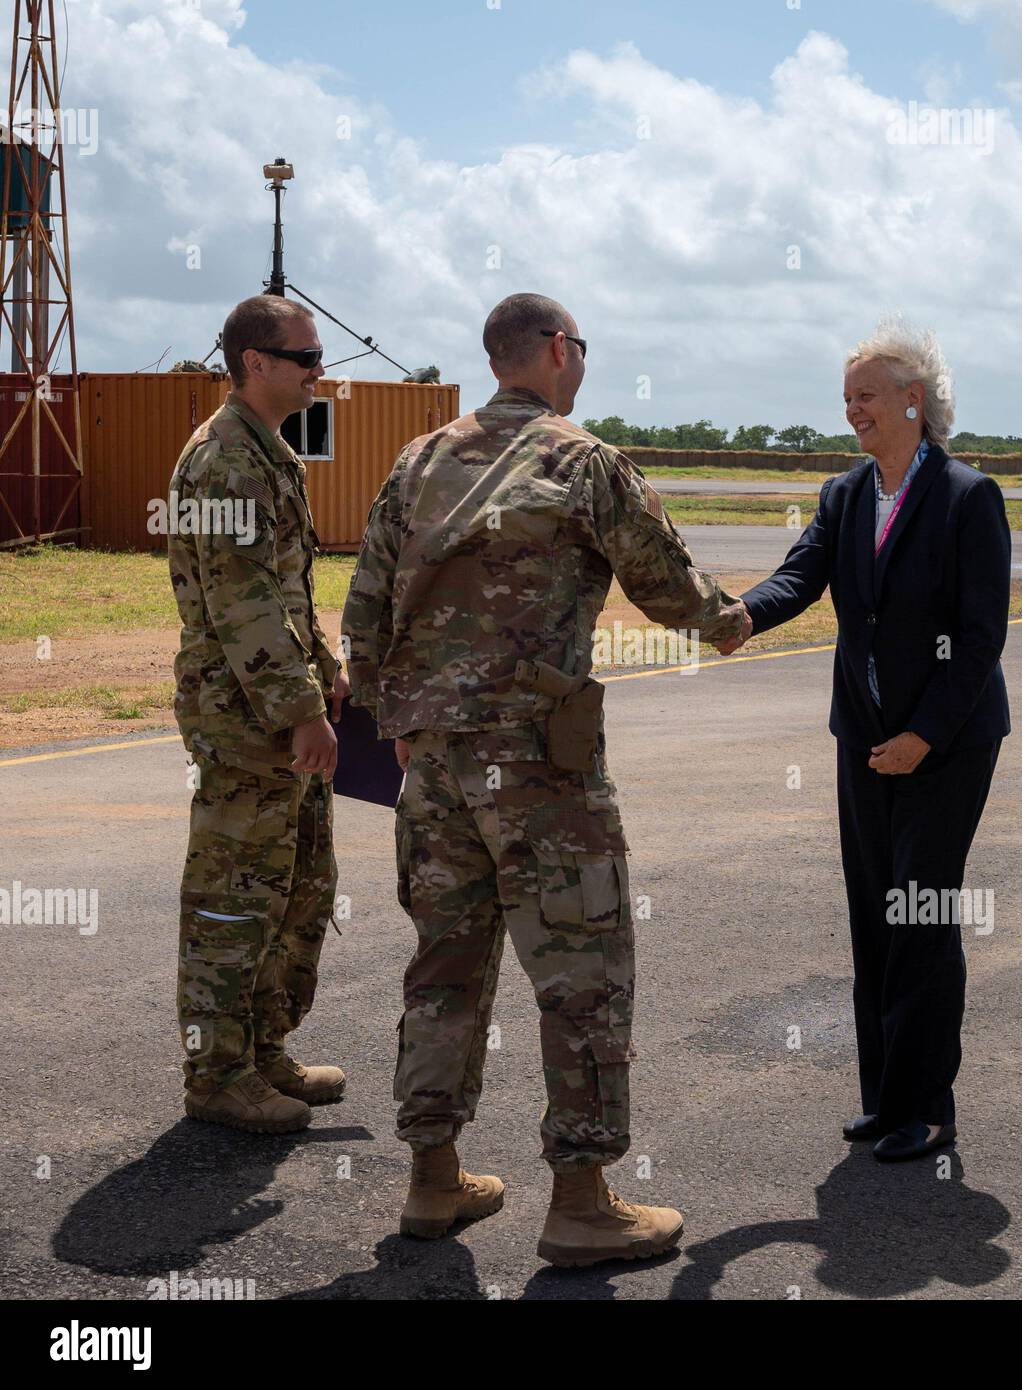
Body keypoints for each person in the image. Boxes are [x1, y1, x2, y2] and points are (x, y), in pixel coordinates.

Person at [342, 292, 750, 1264]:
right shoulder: (582, 460)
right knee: (582, 974)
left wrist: (399, 724)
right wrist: (729, 621)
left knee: (443, 970)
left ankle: (432, 1179)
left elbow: (364, 614)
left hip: (432, 765)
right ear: (559, 349)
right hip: (540, 767)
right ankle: (579, 1200)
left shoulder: (417, 460)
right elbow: (667, 586)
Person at [721, 318, 1010, 1162]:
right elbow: (799, 576)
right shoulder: (844, 495)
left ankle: (928, 1107)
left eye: (867, 395)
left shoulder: (967, 497)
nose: (853, 410)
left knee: (920, 914)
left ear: (913, 400)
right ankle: (884, 1099)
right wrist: (736, 616)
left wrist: (925, 733)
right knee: (873, 913)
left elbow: (980, 637)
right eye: (846, 397)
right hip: (864, 735)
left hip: (945, 743)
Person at [168, 294, 349, 1134]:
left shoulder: (267, 451)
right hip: (245, 720)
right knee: (233, 899)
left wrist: (327, 672)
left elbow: (288, 594)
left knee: (296, 888)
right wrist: (301, 708)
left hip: (275, 710)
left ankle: (262, 1049)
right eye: (306, 357)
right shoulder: (224, 461)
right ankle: (216, 1074)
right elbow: (242, 604)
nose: (321, 371)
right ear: (256, 362)